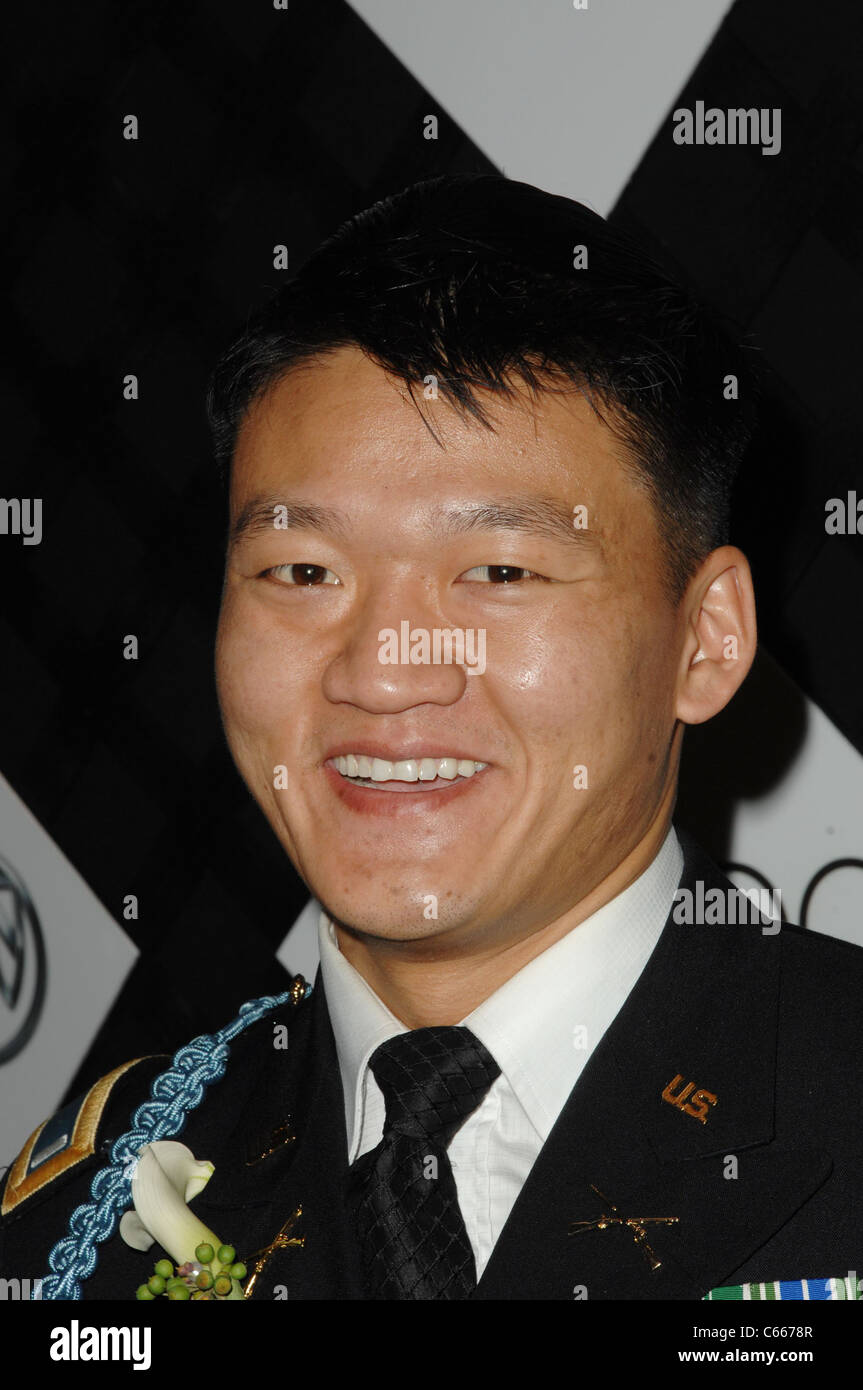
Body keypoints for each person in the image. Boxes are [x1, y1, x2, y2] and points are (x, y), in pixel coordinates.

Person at [2, 173, 861, 1302]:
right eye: (301, 572)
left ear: (704, 640)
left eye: (498, 572)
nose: (380, 672)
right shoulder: (85, 1218)